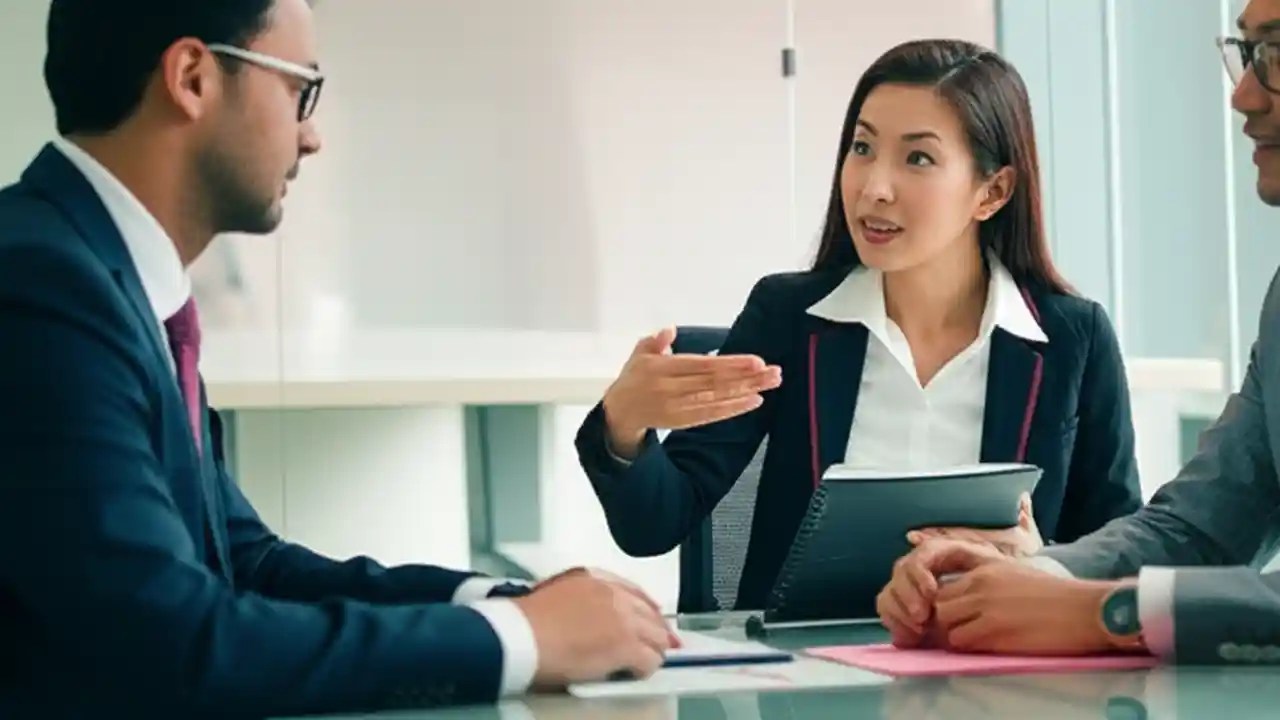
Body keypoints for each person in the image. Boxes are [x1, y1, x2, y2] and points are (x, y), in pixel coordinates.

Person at [0, 1, 674, 716]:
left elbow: (246, 565)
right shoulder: (43, 284)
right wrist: (521, 639)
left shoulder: (104, 278)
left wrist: (510, 604)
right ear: (192, 78)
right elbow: (168, 641)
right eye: (300, 89)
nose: (312, 135)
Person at [575, 39, 1143, 613]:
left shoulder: (1073, 339)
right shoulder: (788, 319)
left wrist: (1042, 563)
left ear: (991, 192)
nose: (874, 188)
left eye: (917, 159)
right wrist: (624, 424)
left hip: (988, 655)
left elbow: (1119, 554)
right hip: (808, 659)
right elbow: (653, 524)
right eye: (863, 147)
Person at [876, 0, 1280, 664]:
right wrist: (1025, 577)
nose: (1242, 95)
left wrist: (1108, 611)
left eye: (1277, 52)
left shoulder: (1073, 330)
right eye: (1248, 53)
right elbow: (1199, 528)